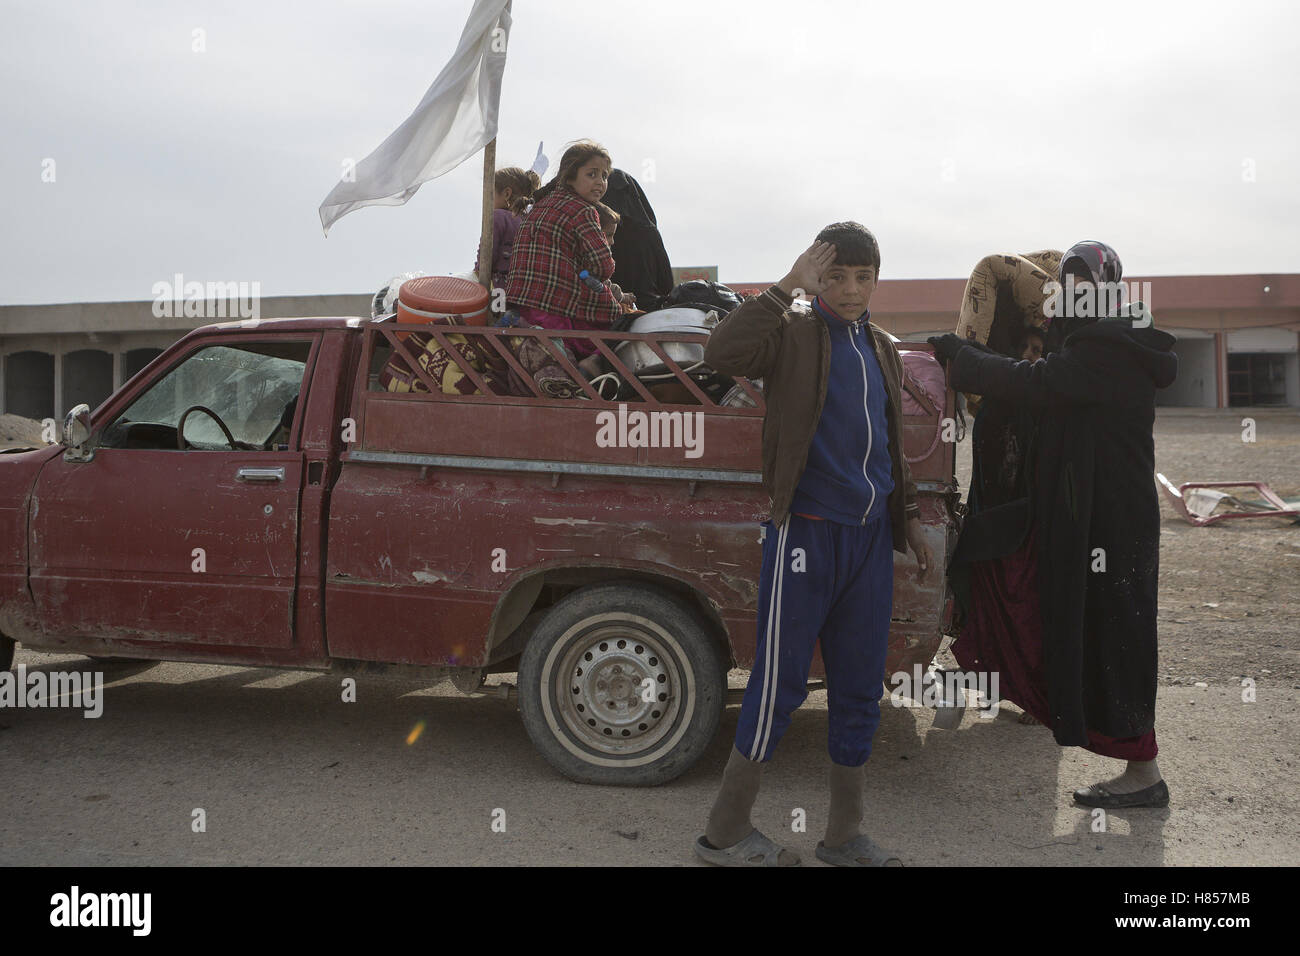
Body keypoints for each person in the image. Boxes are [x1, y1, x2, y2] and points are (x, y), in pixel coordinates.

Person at [694, 223, 933, 867]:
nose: (851, 290)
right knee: (779, 686)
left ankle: (843, 837)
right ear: (815, 276)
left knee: (859, 687)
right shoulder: (793, 335)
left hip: (869, 542)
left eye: (863, 277)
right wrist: (784, 288)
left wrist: (905, 519)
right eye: (835, 276)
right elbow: (721, 351)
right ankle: (723, 835)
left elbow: (887, 442)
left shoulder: (881, 346)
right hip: (804, 534)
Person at [929, 240, 1178, 809]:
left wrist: (961, 358)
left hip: (1112, 530)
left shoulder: (1105, 351)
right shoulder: (1111, 341)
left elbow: (1034, 383)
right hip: (1103, 523)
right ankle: (1131, 761)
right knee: (1092, 634)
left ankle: (1144, 774)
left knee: (1117, 640)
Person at [503, 140, 623, 359]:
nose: (600, 182)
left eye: (604, 176)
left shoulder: (540, 206)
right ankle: (588, 367)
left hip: (523, 304)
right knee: (617, 331)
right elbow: (603, 266)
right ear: (570, 177)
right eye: (592, 174)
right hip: (555, 306)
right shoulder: (583, 211)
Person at [475, 166, 541, 293]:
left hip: (497, 289)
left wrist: (476, 271)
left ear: (506, 193)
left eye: (490, 193)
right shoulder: (530, 222)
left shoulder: (498, 216)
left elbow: (487, 256)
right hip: (521, 291)